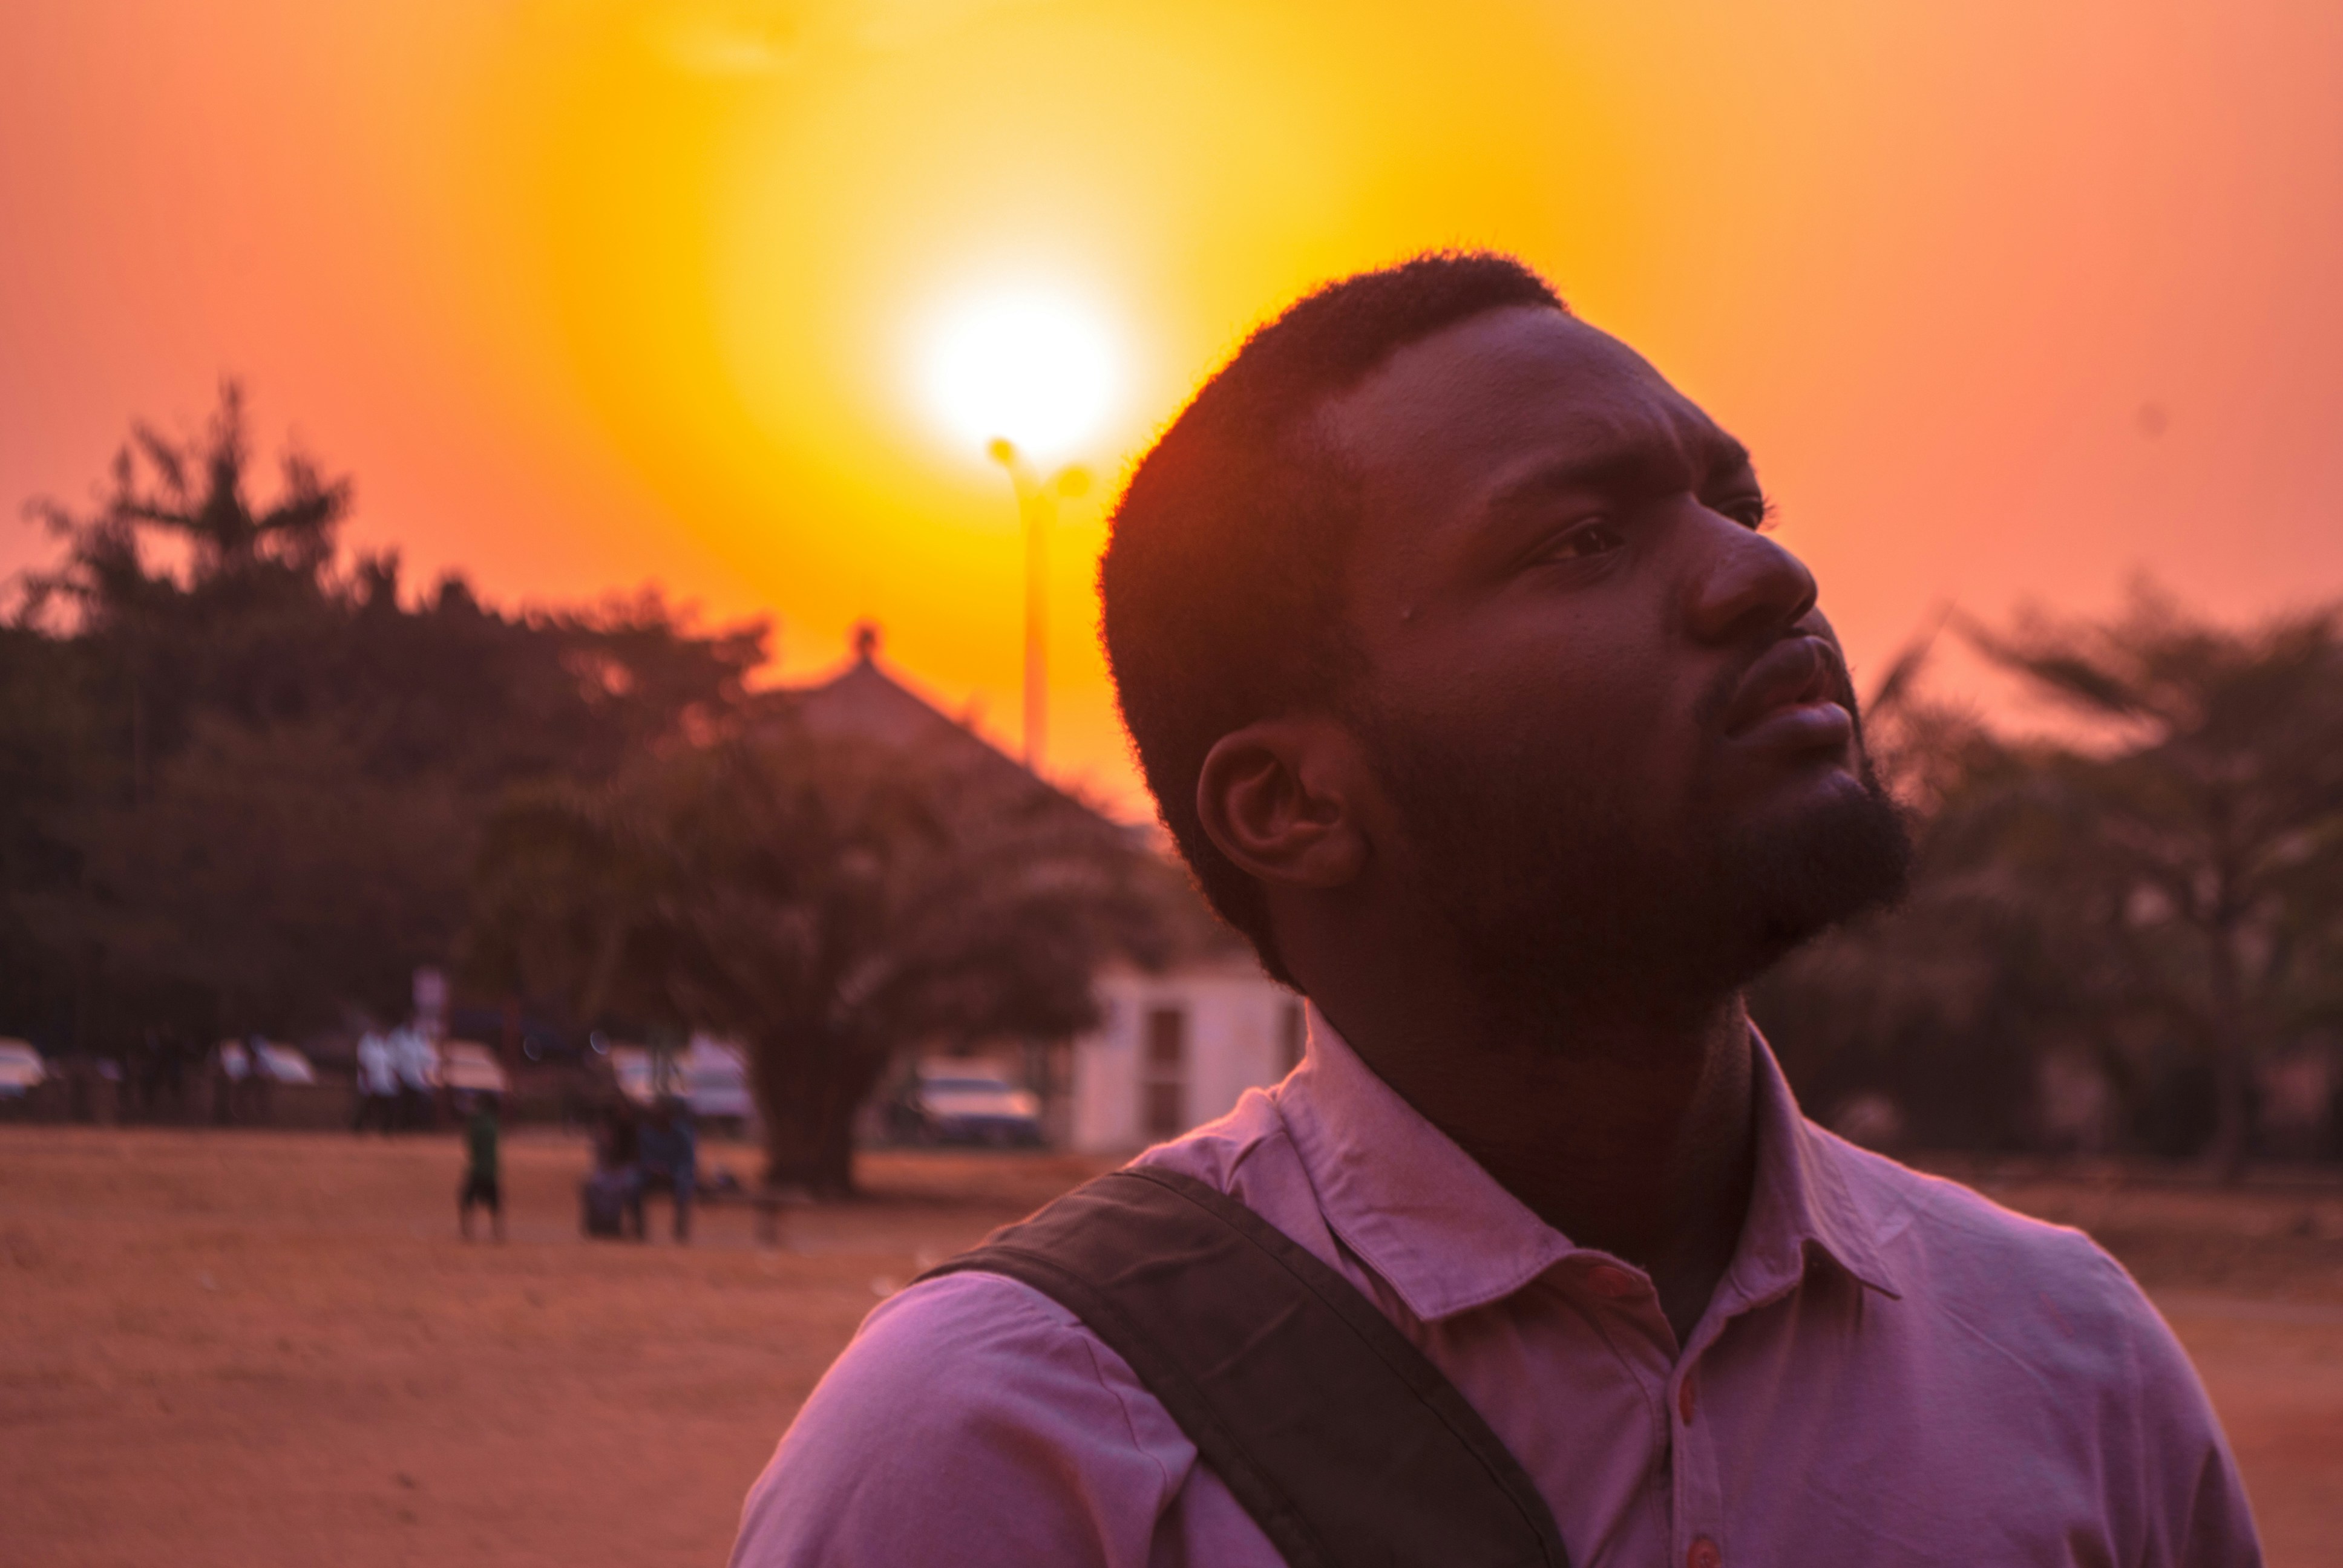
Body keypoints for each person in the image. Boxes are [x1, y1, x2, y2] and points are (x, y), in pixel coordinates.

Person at [730, 255, 2260, 1567]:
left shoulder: (2076, 1364)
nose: (1765, 574)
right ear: (1293, 805)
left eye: (1735, 502)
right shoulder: (995, 1451)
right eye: (1581, 541)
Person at [636, 1095, 697, 1243]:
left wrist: (672, 1171)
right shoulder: (646, 1133)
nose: (660, 1116)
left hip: (674, 1174)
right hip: (650, 1174)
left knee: (684, 1182)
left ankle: (680, 1228)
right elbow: (640, 1157)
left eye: (664, 1113)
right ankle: (638, 1227)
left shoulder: (682, 1133)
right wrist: (652, 1167)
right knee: (632, 1182)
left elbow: (688, 1160)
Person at [458, 1093, 504, 1243]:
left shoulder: (477, 1123)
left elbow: (470, 1146)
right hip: (492, 1169)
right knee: (494, 1202)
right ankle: (497, 1232)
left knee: (467, 1199)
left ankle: (467, 1230)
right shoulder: (494, 1123)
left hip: (477, 1169)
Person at [353, 1025, 397, 1134]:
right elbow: (362, 1063)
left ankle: (386, 1129)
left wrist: (394, 1079)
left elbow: (390, 1063)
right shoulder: (366, 1043)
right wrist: (367, 1080)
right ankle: (358, 1126)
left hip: (384, 1081)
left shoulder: (385, 1044)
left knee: (386, 1106)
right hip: (371, 1081)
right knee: (369, 1106)